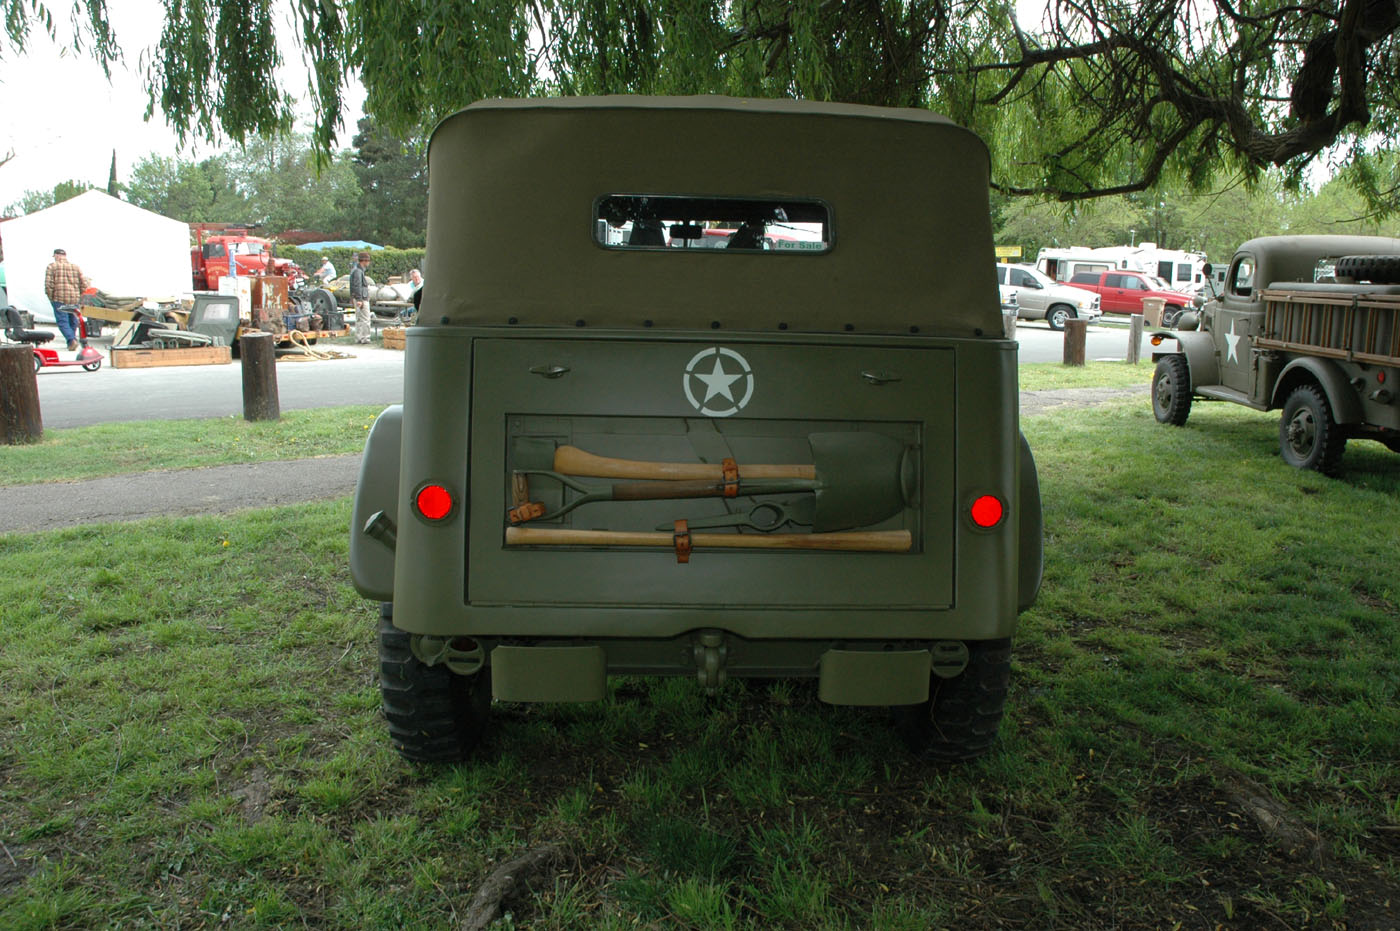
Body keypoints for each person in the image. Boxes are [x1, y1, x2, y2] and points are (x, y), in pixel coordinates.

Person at [44, 248, 90, 351]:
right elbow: (84, 283)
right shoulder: (75, 267)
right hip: (73, 299)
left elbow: (48, 284)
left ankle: (71, 339)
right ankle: (71, 342)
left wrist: (51, 297)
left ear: (56, 255)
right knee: (72, 320)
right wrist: (78, 294)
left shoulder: (52, 267)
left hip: (59, 298)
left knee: (62, 321)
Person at [350, 251, 372, 343]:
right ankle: (365, 338)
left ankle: (359, 338)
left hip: (358, 297)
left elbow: (354, 286)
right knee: (366, 319)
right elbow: (357, 285)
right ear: (364, 261)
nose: (369, 263)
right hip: (362, 298)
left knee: (359, 319)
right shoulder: (358, 271)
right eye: (368, 261)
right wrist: (359, 299)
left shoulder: (356, 270)